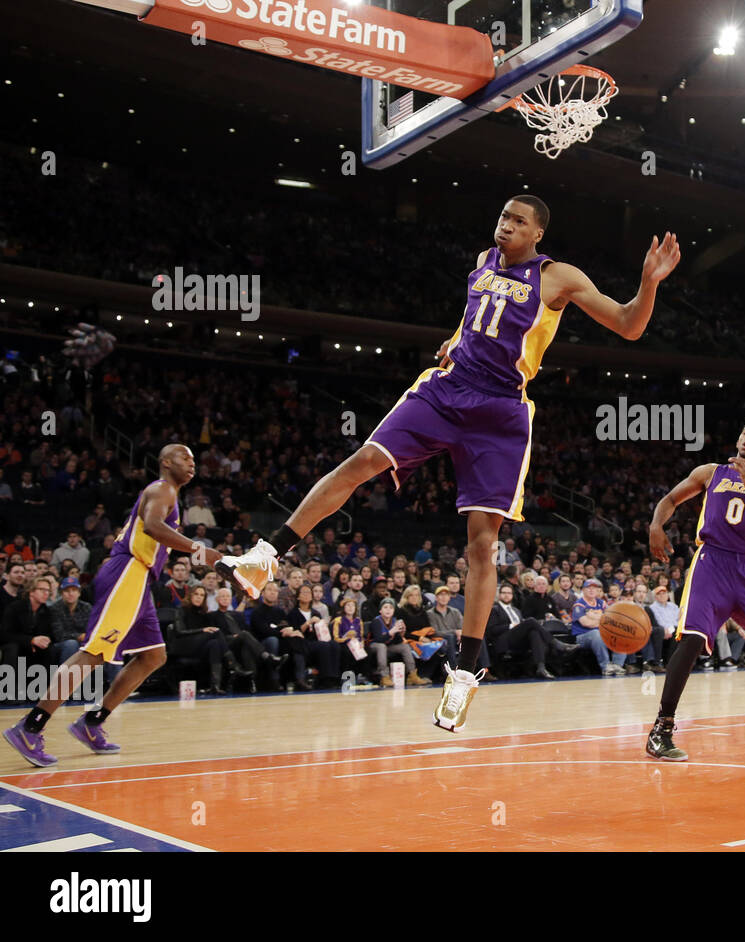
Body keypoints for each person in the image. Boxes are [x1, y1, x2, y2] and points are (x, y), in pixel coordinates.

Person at [217, 198, 678, 731]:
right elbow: (474, 320)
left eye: (518, 221)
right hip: (447, 389)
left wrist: (649, 284)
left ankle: (463, 675)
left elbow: (628, 325)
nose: (505, 225)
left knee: (481, 545)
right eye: (503, 216)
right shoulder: (482, 261)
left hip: (500, 413)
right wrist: (455, 339)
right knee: (363, 459)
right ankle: (266, 555)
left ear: (538, 234)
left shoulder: (557, 277)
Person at [4, 444, 226, 767]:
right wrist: (200, 550)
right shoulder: (162, 489)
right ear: (165, 462)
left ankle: (92, 723)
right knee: (94, 652)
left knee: (153, 656)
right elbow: (152, 527)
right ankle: (30, 727)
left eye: (194, 460)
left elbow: (158, 537)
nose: (192, 464)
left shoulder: (168, 494)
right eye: (184, 458)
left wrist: (201, 556)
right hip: (128, 573)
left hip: (140, 579)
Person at [645, 418, 745, 761]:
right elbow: (670, 499)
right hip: (711, 563)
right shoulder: (710, 472)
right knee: (692, 640)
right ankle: (661, 728)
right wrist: (657, 525)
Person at [484, 584, 577, 680]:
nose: (506, 595)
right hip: (502, 641)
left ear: (512, 595)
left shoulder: (516, 610)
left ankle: (541, 667)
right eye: (504, 593)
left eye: (509, 593)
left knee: (534, 632)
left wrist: (520, 626)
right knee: (531, 621)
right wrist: (511, 626)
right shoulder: (494, 609)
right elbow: (491, 630)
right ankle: (557, 644)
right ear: (499, 595)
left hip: (517, 641)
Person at [570, 578, 623, 676]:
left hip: (601, 633)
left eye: (594, 588)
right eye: (588, 588)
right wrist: (602, 619)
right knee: (596, 634)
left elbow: (612, 620)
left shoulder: (601, 603)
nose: (591, 590)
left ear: (597, 590)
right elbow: (586, 623)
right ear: (583, 590)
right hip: (583, 636)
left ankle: (617, 665)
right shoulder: (579, 604)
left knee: (620, 633)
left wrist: (593, 616)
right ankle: (605, 666)